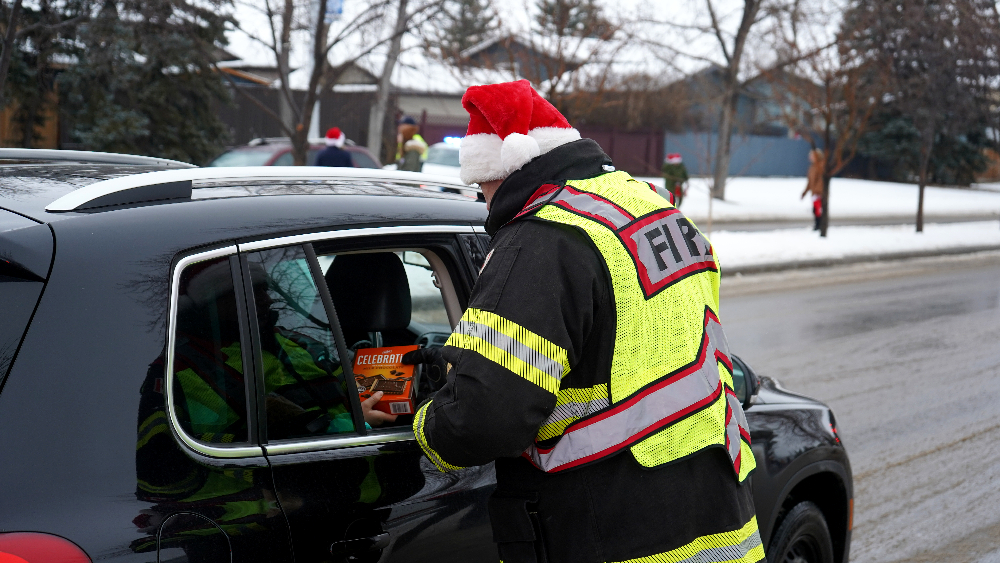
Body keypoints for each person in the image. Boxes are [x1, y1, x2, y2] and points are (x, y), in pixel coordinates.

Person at [406, 79, 761, 563]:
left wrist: (423, 416)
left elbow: (486, 418)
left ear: (506, 167)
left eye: (480, 182)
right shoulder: (652, 207)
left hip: (616, 532)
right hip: (722, 527)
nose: (482, 198)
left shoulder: (541, 239)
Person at [801, 149, 825, 230]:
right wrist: (804, 192)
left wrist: (818, 190)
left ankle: (819, 225)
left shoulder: (821, 166)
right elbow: (810, 181)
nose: (810, 157)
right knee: (815, 209)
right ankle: (817, 224)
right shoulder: (812, 167)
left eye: (812, 156)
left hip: (819, 192)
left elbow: (821, 180)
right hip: (814, 192)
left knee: (818, 210)